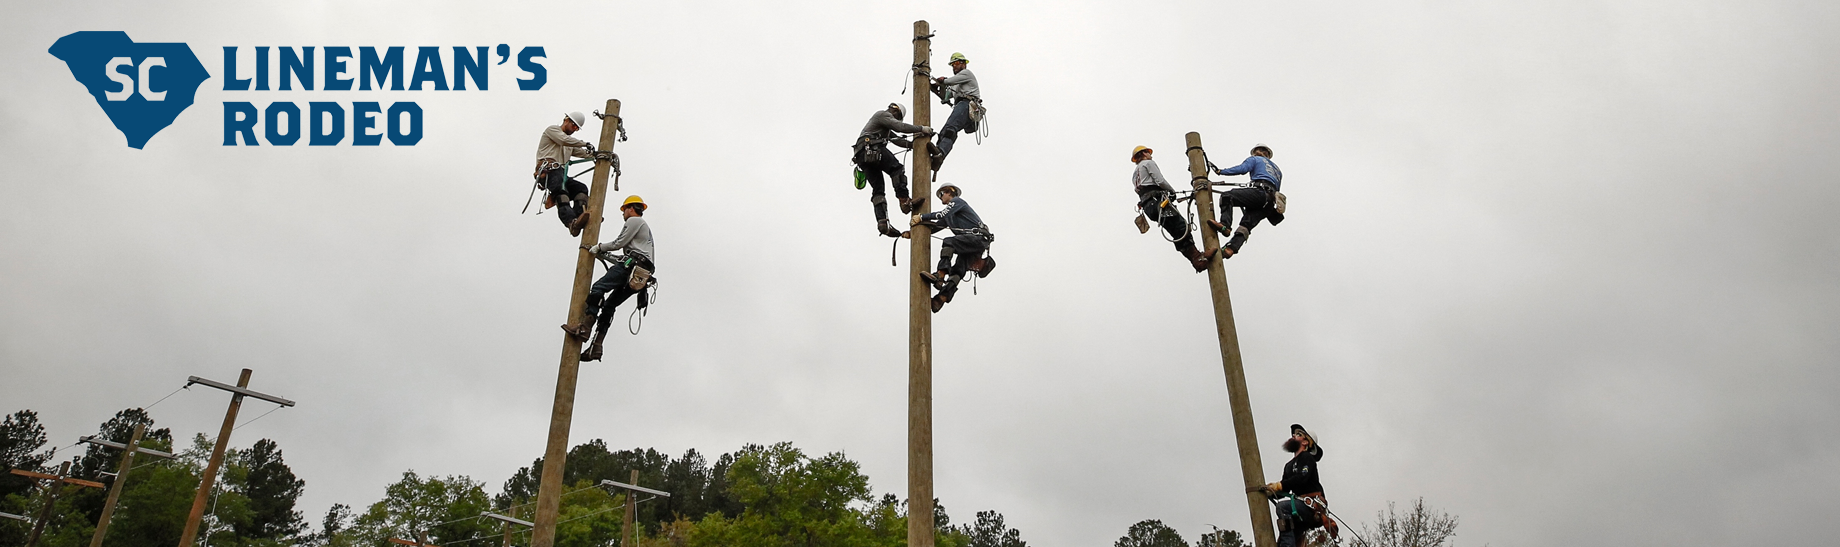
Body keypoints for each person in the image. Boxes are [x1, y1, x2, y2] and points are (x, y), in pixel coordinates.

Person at [565, 195, 654, 361]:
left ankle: (585, 328)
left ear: (631, 208)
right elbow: (626, 256)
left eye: (624, 209)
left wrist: (599, 247)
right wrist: (602, 254)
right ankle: (597, 346)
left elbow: (618, 244)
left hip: (632, 267)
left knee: (598, 288)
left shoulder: (634, 221)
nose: (623, 213)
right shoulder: (643, 233)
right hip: (641, 275)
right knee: (609, 305)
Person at [1250, 424, 1338, 547]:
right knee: (1284, 540)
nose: (1293, 436)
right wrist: (1270, 491)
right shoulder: (1289, 466)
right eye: (1293, 434)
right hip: (1298, 509)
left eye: (1298, 434)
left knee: (1282, 507)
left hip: (1311, 507)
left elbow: (1301, 478)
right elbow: (1285, 487)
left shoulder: (1307, 458)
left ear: (1306, 442)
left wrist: (1279, 485)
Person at [855, 103, 935, 237]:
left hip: (862, 156)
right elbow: (900, 127)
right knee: (896, 169)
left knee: (878, 189)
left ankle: (882, 223)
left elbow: (897, 140)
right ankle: (904, 200)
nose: (895, 119)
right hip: (872, 148)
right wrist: (922, 129)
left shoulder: (882, 125)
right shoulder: (883, 114)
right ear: (896, 112)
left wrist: (916, 145)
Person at [912, 182, 993, 313]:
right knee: (958, 270)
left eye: (941, 194)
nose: (941, 197)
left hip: (978, 238)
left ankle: (940, 274)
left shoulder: (957, 202)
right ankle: (941, 298)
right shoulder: (950, 216)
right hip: (975, 243)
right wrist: (912, 234)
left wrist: (921, 217)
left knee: (949, 242)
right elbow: (934, 227)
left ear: (949, 192)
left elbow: (941, 214)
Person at [1132, 146, 1215, 272]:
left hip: (1149, 207)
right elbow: (1160, 181)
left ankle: (1196, 260)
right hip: (1157, 202)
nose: (1150, 155)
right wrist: (1172, 191)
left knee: (1175, 232)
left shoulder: (1135, 174)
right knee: (1181, 227)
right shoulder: (1148, 163)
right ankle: (1198, 258)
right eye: (1148, 153)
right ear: (1144, 153)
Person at [1208, 143, 1286, 258]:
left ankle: (1225, 225)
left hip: (1260, 193)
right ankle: (1231, 248)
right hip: (1270, 203)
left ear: (1257, 152)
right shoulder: (1278, 171)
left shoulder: (1255, 159)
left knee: (1227, 196)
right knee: (1246, 226)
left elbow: (1242, 169)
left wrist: (1221, 171)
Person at [534, 112, 597, 237]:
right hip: (548, 171)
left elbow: (583, 153)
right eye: (573, 126)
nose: (574, 130)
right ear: (566, 120)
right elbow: (563, 140)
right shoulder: (552, 130)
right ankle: (570, 222)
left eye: (576, 128)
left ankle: (579, 217)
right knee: (562, 192)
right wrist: (585, 143)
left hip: (560, 174)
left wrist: (600, 154)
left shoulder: (569, 145)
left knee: (580, 189)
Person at [927, 52, 981, 172]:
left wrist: (942, 81)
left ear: (964, 64)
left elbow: (947, 82)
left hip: (967, 104)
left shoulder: (966, 73)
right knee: (946, 131)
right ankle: (937, 156)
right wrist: (935, 88)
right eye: (953, 65)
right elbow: (946, 96)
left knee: (950, 127)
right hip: (962, 106)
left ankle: (940, 153)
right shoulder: (956, 85)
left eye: (956, 63)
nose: (954, 66)